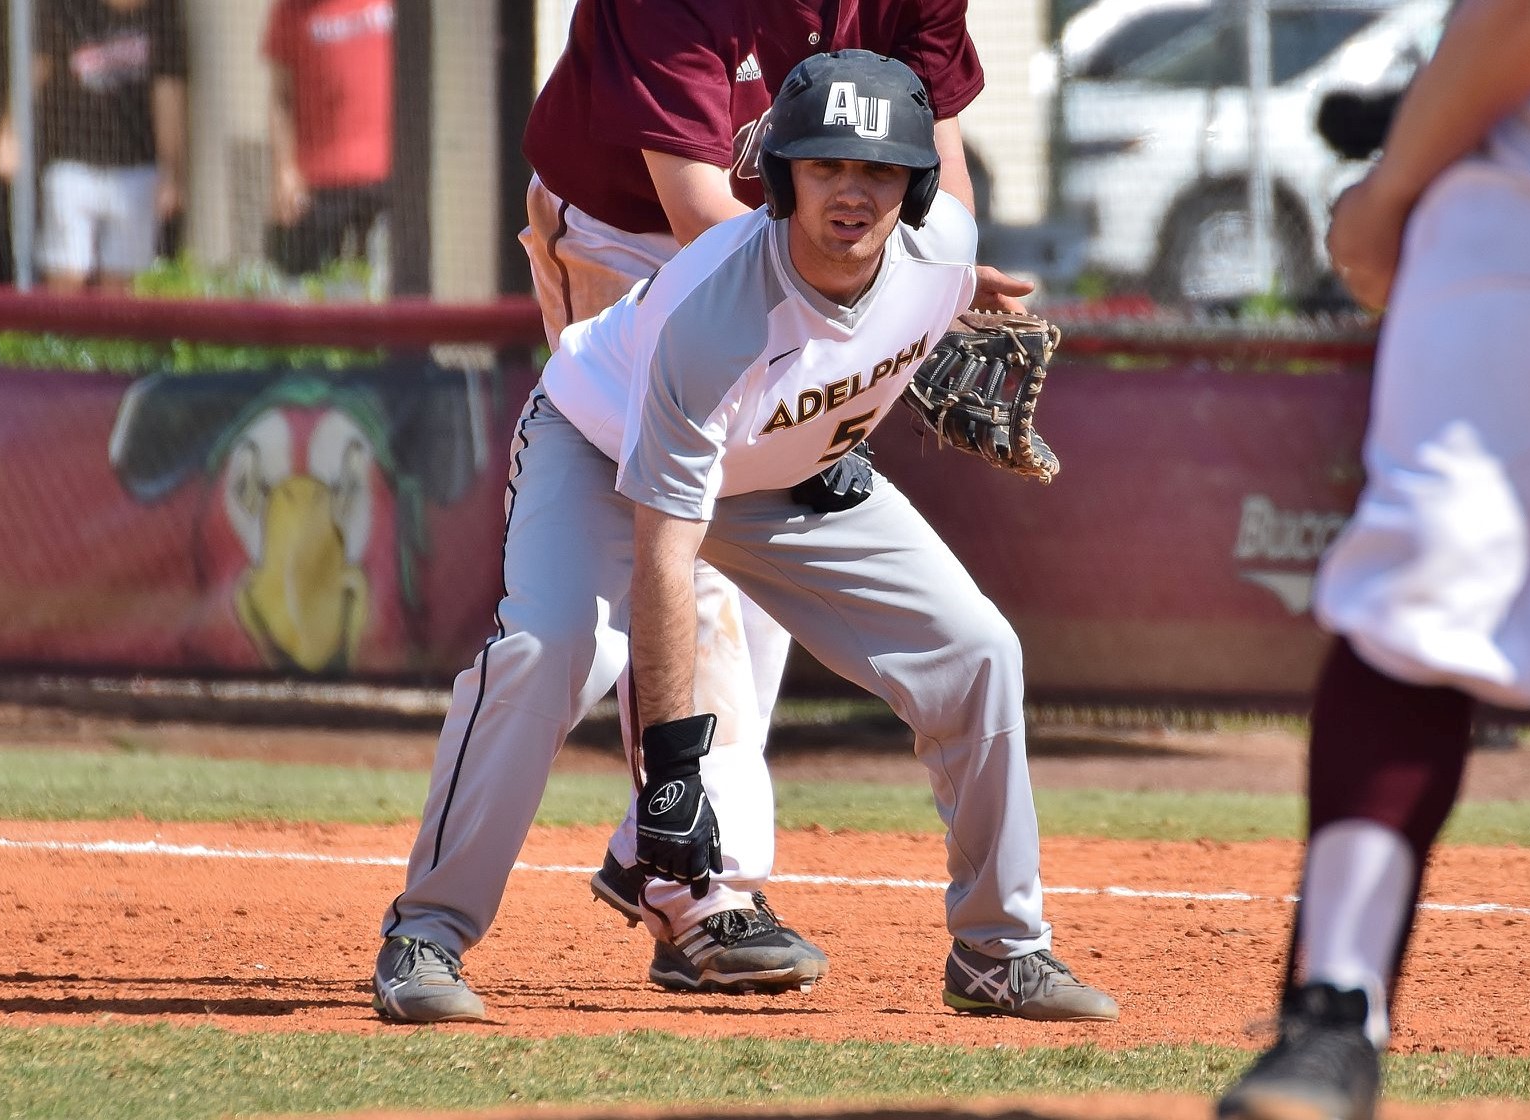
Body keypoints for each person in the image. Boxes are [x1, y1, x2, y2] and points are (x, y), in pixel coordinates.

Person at [372, 49, 1120, 1027]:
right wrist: (673, 777)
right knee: (555, 646)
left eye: (881, 169)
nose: (853, 192)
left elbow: (876, 335)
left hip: (777, 472)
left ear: (918, 184)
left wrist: (836, 423)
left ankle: (998, 949)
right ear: (778, 175)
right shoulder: (714, 311)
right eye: (826, 166)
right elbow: (666, 549)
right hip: (600, 447)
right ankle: (425, 931)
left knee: (975, 649)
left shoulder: (942, 262)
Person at [517, 0, 1034, 996]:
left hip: (796, 239)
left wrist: (936, 282)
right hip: (634, 234)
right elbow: (696, 212)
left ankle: (651, 845)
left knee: (760, 566)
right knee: (687, 539)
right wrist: (859, 307)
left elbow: (934, 144)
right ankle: (703, 884)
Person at [1216, 2, 1530, 1118]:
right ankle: (1332, 1008)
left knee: (1431, 547)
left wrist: (1388, 194)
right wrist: (1400, 187)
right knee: (1432, 555)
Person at [0, 0, 189, 294]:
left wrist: (171, 172)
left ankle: (116, 341)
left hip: (136, 171)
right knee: (67, 276)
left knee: (121, 289)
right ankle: (61, 339)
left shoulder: (162, 17)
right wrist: (9, 133)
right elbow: (34, 70)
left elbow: (168, 97)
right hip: (72, 165)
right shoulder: (67, 9)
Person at [259, 0, 394, 277]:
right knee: (306, 286)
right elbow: (280, 99)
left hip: (387, 177)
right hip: (318, 185)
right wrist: (285, 171)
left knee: (385, 294)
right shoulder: (292, 10)